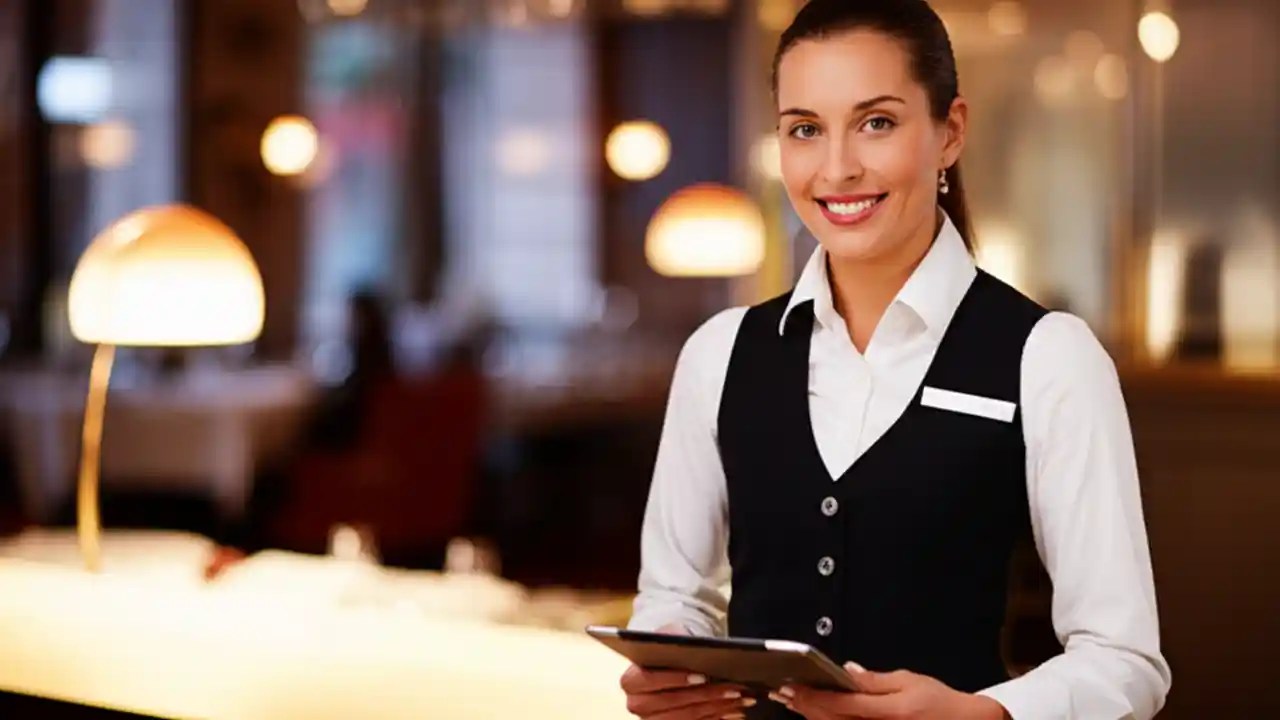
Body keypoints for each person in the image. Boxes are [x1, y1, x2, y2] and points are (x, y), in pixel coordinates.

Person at [619, 1, 1171, 719]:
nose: (838, 168)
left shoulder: (1049, 358)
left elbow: (1125, 663)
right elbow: (676, 597)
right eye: (805, 130)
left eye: (876, 123)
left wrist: (980, 715)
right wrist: (670, 661)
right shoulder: (718, 355)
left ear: (951, 132)